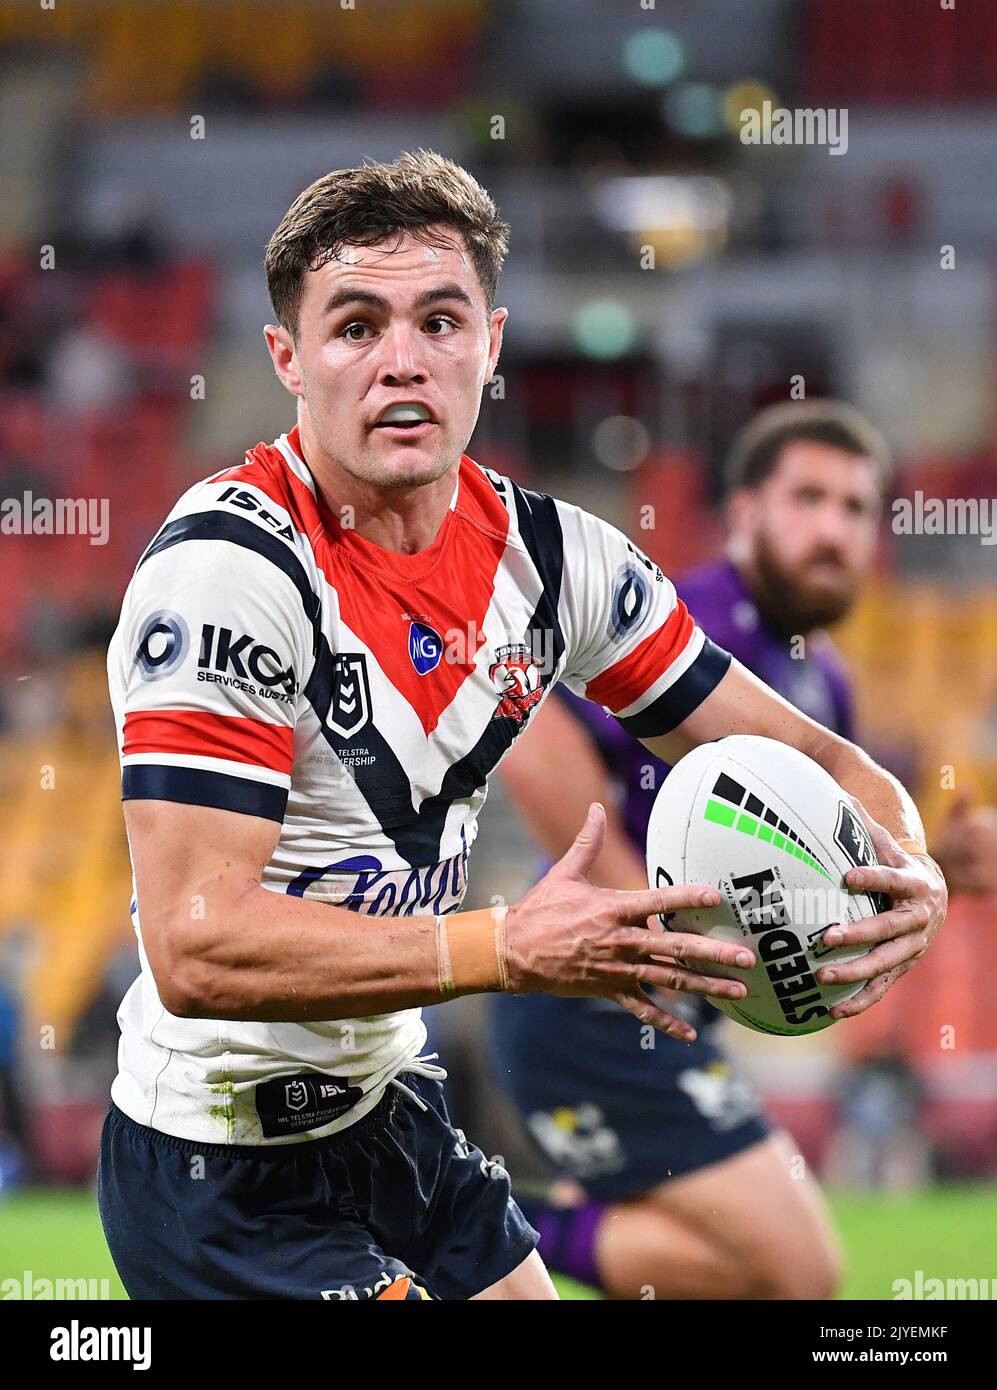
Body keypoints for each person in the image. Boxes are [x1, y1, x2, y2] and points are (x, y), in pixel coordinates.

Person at [96, 152, 947, 1301]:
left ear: (488, 347)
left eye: (438, 321)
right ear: (286, 360)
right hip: (215, 1167)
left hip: (389, 1110)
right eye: (354, 326)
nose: (403, 359)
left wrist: (908, 862)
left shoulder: (557, 562)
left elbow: (808, 754)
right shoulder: (226, 575)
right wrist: (504, 947)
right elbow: (195, 947)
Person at [490, 401, 994, 1299]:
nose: (833, 528)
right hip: (594, 1005)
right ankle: (453, 1223)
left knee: (726, 1272)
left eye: (854, 508)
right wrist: (636, 935)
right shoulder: (689, 620)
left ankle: (475, 1229)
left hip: (670, 1016)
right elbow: (538, 738)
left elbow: (815, 863)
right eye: (807, 497)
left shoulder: (822, 679)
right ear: (744, 513)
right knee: (799, 1273)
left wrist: (933, 871)